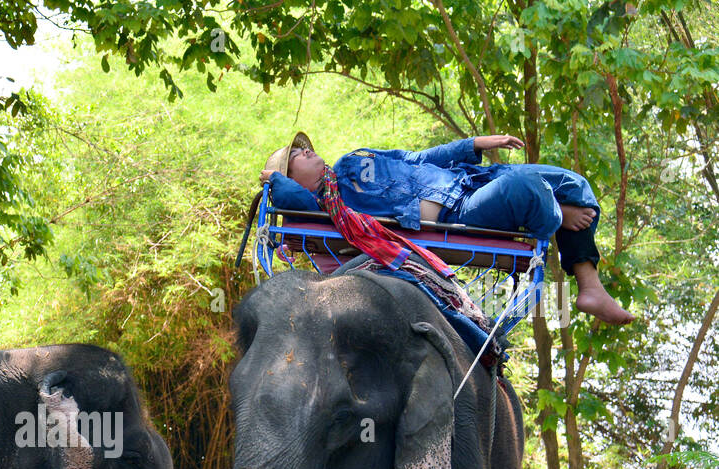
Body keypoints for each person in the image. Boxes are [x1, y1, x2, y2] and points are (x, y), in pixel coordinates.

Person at [259, 132, 634, 325]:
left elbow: (417, 158)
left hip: (468, 179)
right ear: (294, 179)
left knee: (576, 184)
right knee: (532, 190)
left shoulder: (354, 161)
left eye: (303, 149)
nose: (305, 152)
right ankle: (552, 211)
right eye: (296, 158)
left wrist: (475, 143)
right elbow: (295, 204)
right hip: (462, 211)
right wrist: (276, 179)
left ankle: (590, 286)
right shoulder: (329, 205)